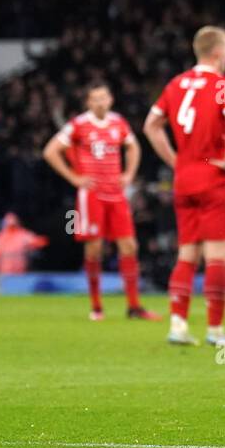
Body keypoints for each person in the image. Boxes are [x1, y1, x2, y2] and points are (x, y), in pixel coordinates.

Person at [144, 26, 225, 349]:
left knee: (187, 254)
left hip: (184, 180)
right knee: (217, 257)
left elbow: (151, 126)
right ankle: (215, 331)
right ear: (218, 52)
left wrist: (176, 161)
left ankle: (177, 325)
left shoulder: (176, 84)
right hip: (216, 179)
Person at [43, 84, 159, 321]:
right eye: (95, 99)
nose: (100, 102)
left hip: (116, 194)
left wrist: (129, 174)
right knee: (94, 248)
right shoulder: (79, 124)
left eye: (104, 97)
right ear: (88, 102)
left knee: (129, 246)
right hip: (91, 195)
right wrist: (74, 178)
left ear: (111, 99)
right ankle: (96, 307)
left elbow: (133, 147)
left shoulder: (118, 122)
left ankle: (134, 306)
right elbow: (51, 151)